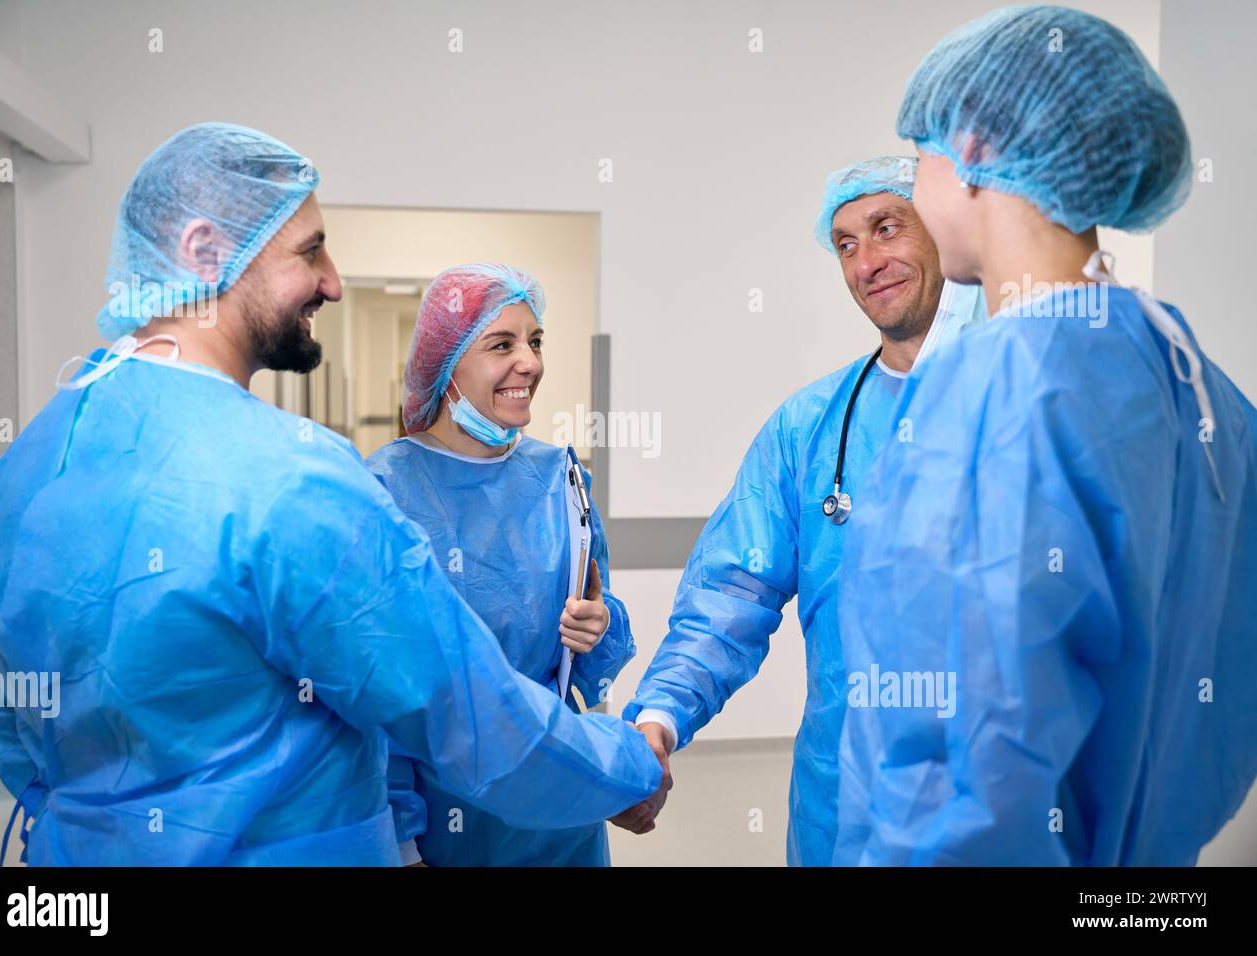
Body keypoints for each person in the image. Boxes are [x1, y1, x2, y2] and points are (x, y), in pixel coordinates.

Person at [0, 122, 666, 866]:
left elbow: (10, 723)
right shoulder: (292, 480)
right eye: (309, 250)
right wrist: (630, 768)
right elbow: (468, 715)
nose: (332, 281)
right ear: (205, 251)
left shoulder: (28, 466)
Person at [835, 5, 1257, 865]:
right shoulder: (1196, 381)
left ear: (978, 152)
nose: (917, 190)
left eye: (921, 159)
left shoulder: (995, 385)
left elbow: (972, 751)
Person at [616, 156, 986, 863]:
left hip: (1001, 802)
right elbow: (731, 594)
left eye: (887, 228)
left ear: (941, 229)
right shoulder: (810, 427)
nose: (867, 261)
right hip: (845, 804)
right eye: (846, 244)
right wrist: (659, 719)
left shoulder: (1022, 399)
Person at [365, 263, 637, 866]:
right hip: (444, 821)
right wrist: (404, 845)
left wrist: (596, 627)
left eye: (536, 341)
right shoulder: (383, 490)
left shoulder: (562, 479)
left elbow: (587, 661)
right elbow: (377, 691)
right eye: (502, 344)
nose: (531, 363)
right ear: (447, 365)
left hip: (561, 812)